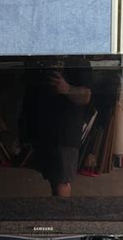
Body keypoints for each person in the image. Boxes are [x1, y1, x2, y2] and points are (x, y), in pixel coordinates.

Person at [24, 59, 92, 197]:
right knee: (53, 177)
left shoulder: (78, 59)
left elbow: (86, 96)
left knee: (61, 181)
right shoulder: (42, 56)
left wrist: (66, 88)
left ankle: (62, 211)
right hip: (41, 126)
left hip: (64, 131)